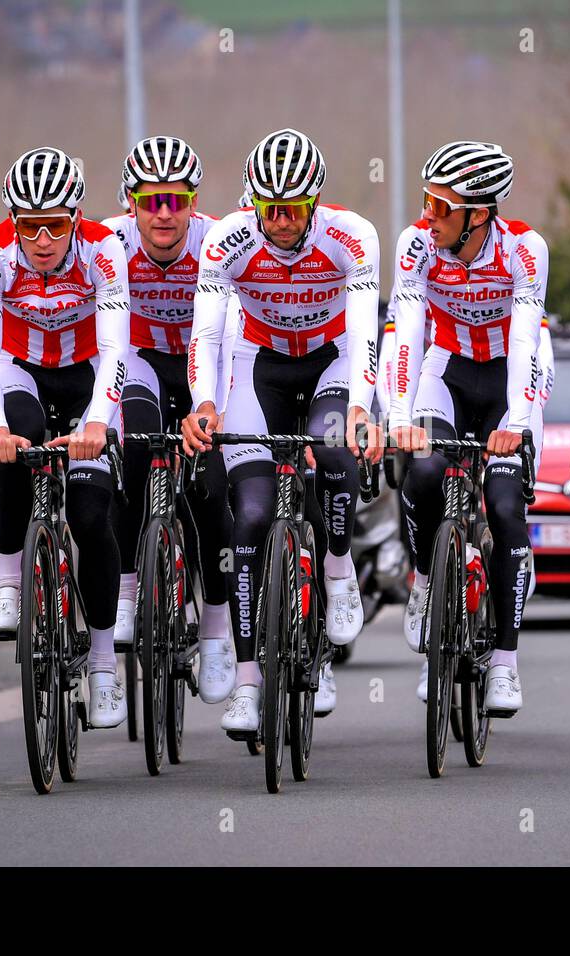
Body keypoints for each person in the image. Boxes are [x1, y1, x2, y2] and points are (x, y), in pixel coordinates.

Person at [182, 129, 382, 732]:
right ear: (254, 203)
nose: (285, 220)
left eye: (296, 208)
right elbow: (208, 333)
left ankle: (339, 573)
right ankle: (247, 682)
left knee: (337, 459)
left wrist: (363, 405)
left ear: (315, 202)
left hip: (332, 359)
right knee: (251, 513)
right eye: (272, 208)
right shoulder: (229, 240)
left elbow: (366, 326)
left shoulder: (352, 236)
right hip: (258, 364)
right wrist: (205, 404)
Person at [0, 146, 131, 728]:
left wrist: (97, 422)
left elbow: (118, 346)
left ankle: (106, 665)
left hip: (89, 372)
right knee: (20, 441)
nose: (41, 238)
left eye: (56, 224)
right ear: (13, 221)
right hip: (21, 370)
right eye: (28, 225)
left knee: (91, 514)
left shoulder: (103, 251)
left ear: (76, 218)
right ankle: (9, 582)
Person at [387, 141, 548, 714]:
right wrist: (401, 418)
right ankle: (427, 581)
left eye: (441, 207)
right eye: (426, 201)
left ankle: (505, 662)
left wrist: (519, 423)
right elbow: (405, 331)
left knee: (504, 507)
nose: (427, 216)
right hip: (448, 367)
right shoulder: (416, 245)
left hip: (511, 373)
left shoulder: (525, 250)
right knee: (425, 472)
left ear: (478, 214)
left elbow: (528, 339)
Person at [101, 136, 237, 704]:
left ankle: (214, 633)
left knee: (212, 491)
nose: (164, 213)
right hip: (139, 362)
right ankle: (130, 590)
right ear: (131, 202)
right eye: (152, 200)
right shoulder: (108, 243)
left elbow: (231, 334)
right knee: (133, 454)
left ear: (193, 201)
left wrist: (214, 408)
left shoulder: (216, 243)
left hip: (206, 361)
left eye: (176, 200)